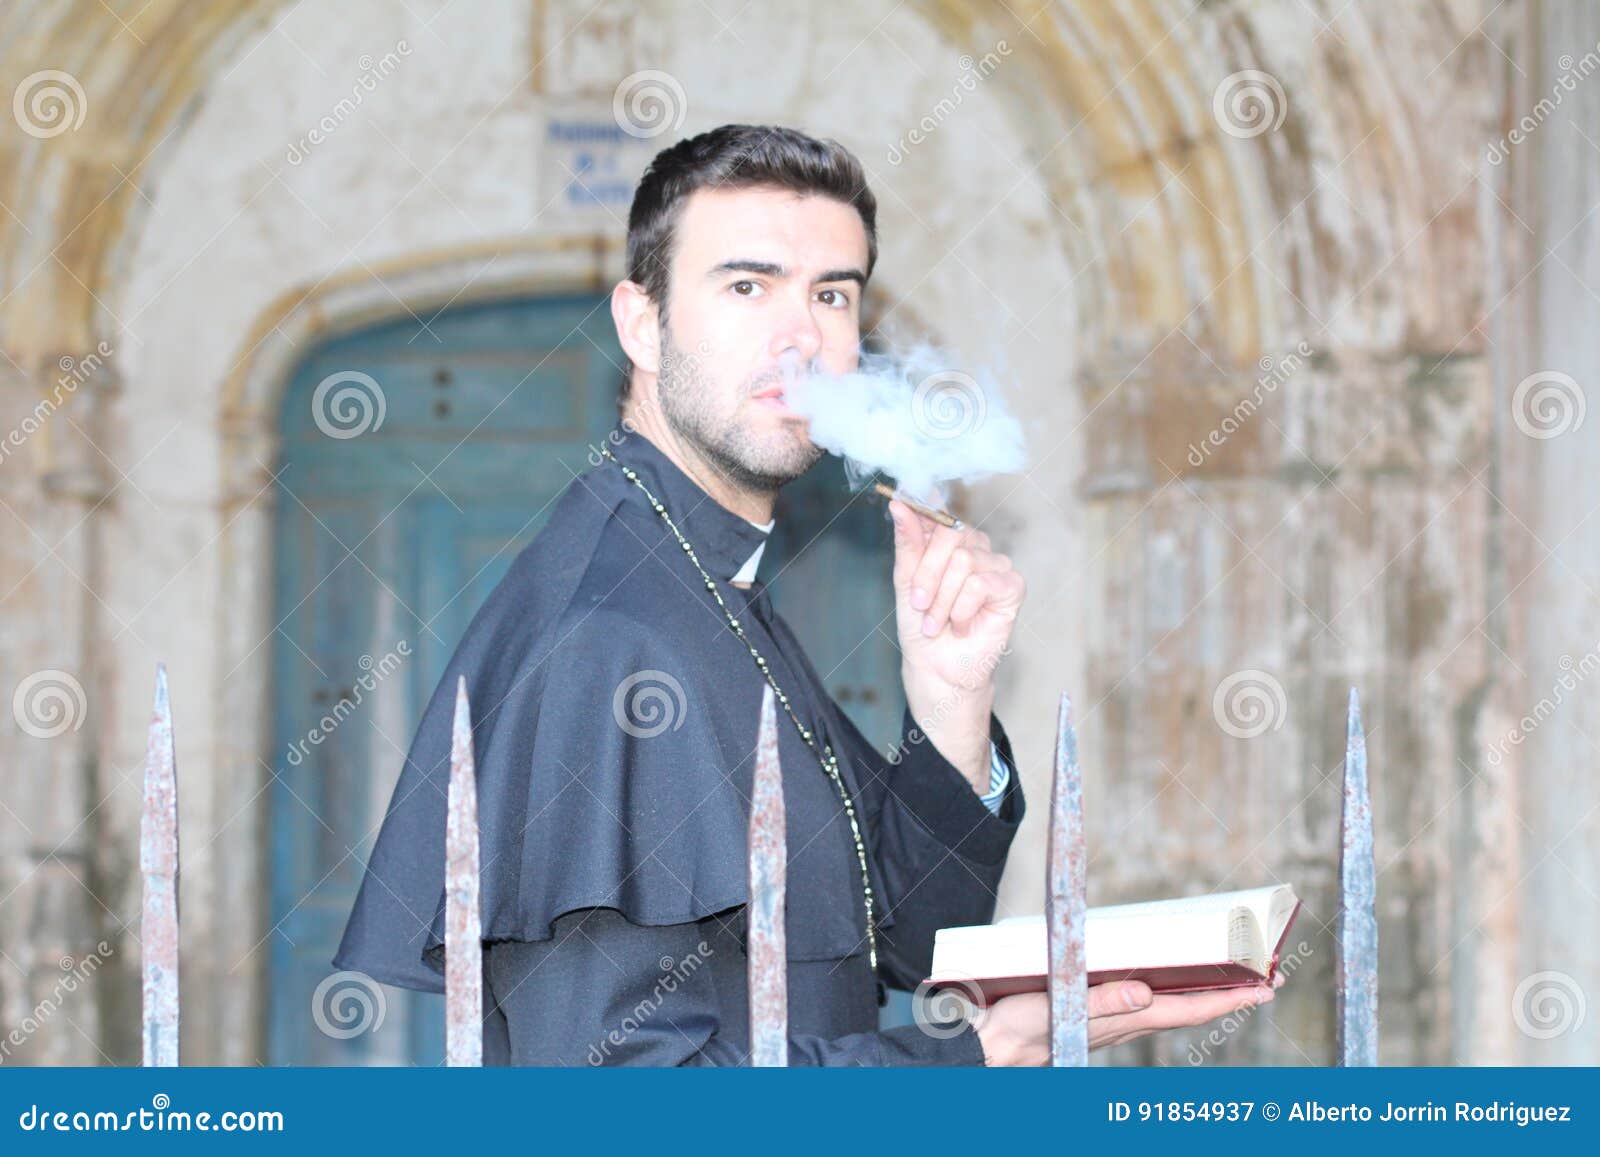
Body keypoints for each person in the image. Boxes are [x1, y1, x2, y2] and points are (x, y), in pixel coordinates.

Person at [333, 123, 1279, 1065]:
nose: (802, 337)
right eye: (747, 285)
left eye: (832, 294)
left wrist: (950, 693)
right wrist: (974, 1058)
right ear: (640, 324)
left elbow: (906, 941)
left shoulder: (707, 579)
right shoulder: (612, 634)